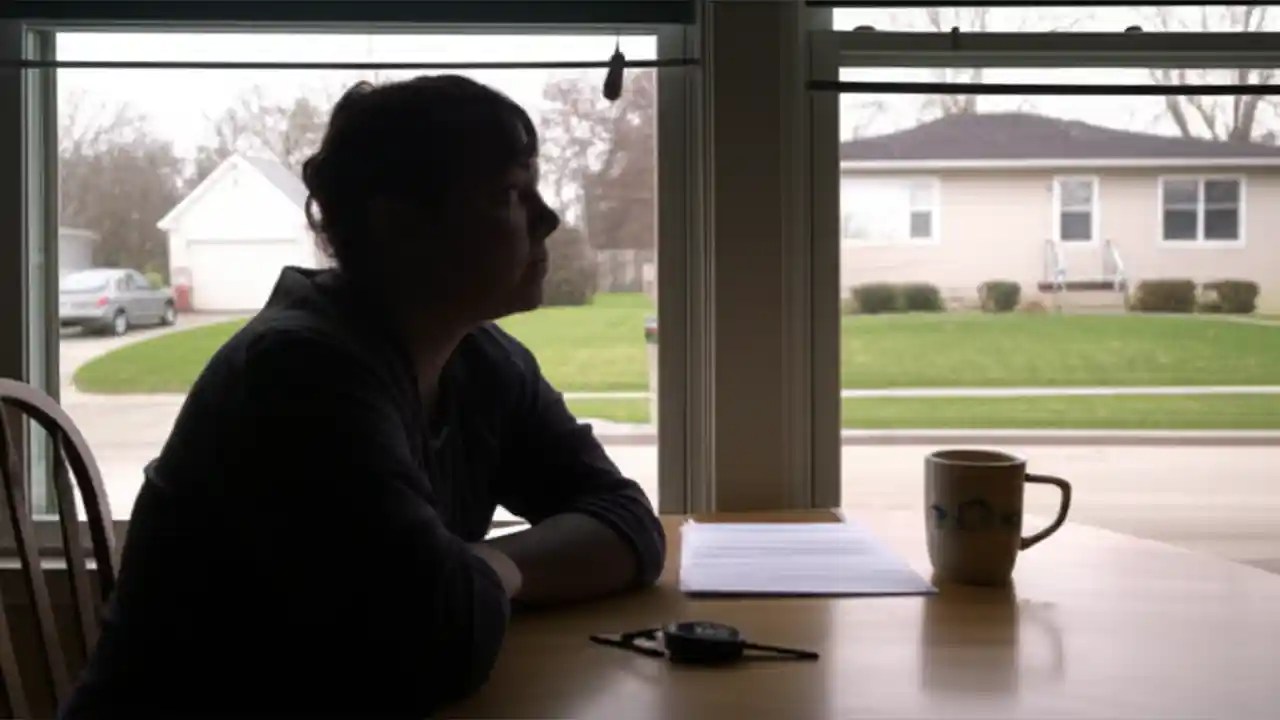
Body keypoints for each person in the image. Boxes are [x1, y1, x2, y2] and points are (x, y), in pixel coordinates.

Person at [61, 75, 666, 719]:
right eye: (509, 193)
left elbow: (630, 525)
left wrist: (483, 566)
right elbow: (436, 642)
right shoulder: (297, 376)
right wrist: (479, 580)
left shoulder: (480, 360)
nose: (548, 218)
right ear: (399, 222)